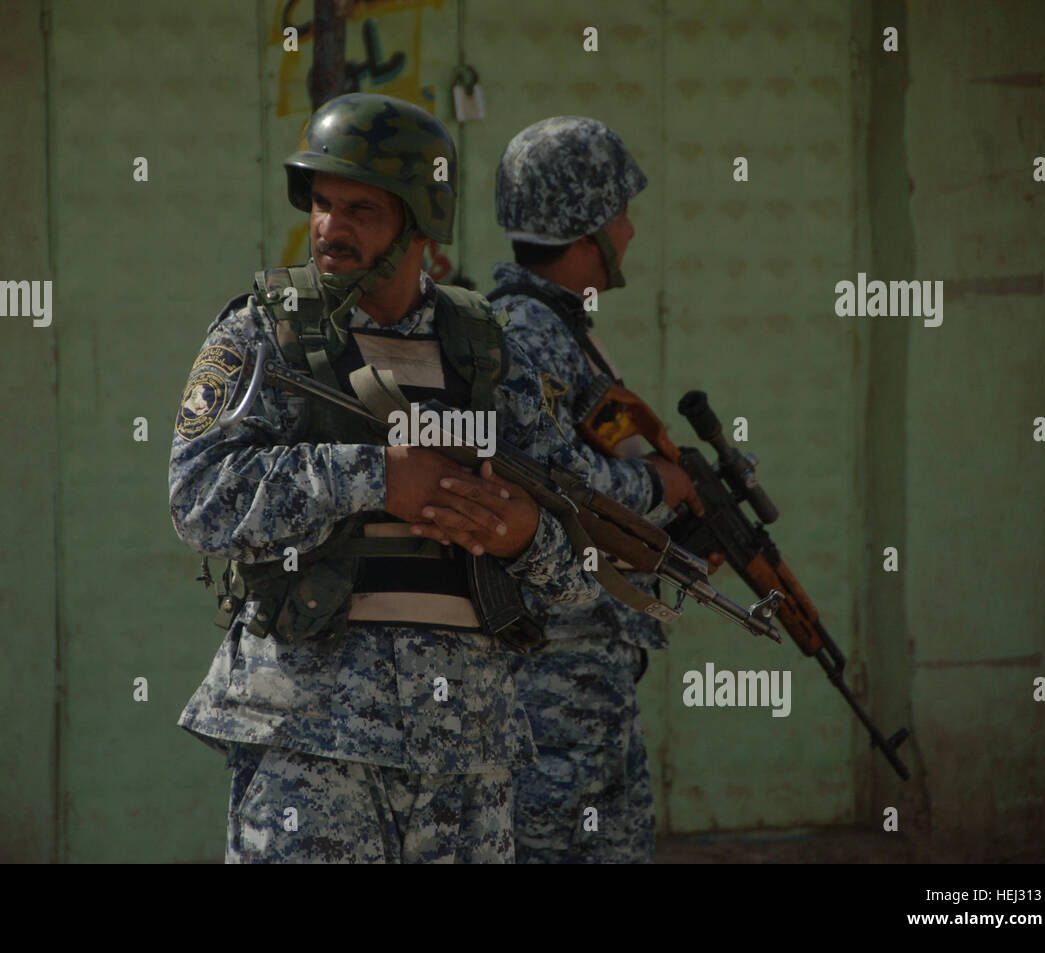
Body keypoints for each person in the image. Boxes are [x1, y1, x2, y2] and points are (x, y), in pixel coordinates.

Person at [168, 94, 641, 863]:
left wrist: (525, 537)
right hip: (312, 746)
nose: (330, 227)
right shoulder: (265, 333)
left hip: (466, 758)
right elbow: (200, 497)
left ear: (420, 222)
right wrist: (376, 477)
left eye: (360, 207)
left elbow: (580, 576)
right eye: (320, 203)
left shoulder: (488, 355)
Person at [488, 116, 705, 863]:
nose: (632, 231)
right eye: (622, 213)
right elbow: (555, 481)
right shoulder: (529, 331)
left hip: (587, 670)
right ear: (587, 228)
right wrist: (657, 483)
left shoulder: (557, 327)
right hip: (553, 677)